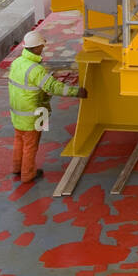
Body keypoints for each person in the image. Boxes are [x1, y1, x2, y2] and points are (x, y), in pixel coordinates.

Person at [8, 30, 88, 184]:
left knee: (19, 140)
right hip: (33, 114)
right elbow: (54, 88)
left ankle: (17, 168)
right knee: (31, 145)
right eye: (41, 46)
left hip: (17, 112)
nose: (43, 49)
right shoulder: (36, 70)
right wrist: (77, 92)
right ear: (36, 48)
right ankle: (27, 174)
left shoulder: (17, 62)